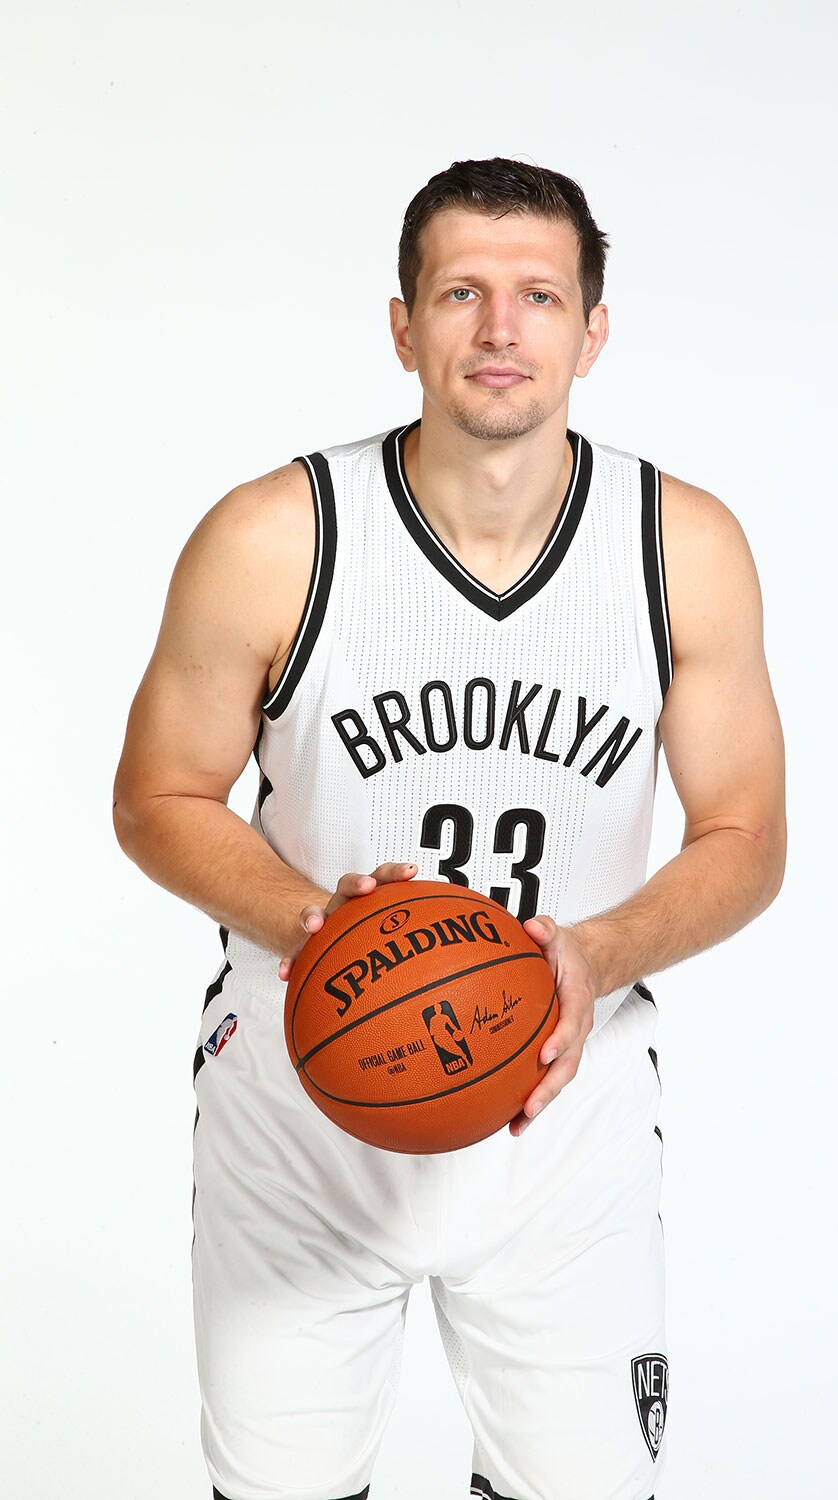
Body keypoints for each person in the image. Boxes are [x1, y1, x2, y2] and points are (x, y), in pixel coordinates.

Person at [113, 157, 786, 1500]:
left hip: (565, 1102)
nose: (498, 330)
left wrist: (592, 950)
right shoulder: (275, 537)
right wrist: (339, 928)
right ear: (404, 324)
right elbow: (156, 798)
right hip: (303, 1103)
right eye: (461, 292)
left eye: (538, 295)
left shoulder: (679, 546)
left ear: (591, 331)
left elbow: (747, 834)